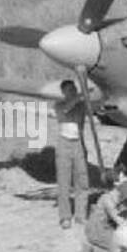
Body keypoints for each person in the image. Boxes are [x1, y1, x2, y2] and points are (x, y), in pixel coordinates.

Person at [53, 79, 89, 228]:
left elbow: (95, 108)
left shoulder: (81, 105)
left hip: (78, 143)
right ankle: (65, 217)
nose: (72, 92)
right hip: (64, 143)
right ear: (63, 92)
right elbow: (67, 109)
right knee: (64, 182)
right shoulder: (59, 104)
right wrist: (81, 96)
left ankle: (81, 215)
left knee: (82, 180)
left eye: (74, 89)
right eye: (69, 90)